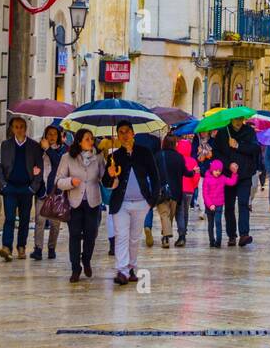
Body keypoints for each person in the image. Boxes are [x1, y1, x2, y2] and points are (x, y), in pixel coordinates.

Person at [104, 120, 161, 285]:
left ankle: (131, 267)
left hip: (141, 203)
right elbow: (107, 183)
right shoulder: (114, 156)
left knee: (134, 238)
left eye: (127, 131)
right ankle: (121, 270)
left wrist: (152, 200)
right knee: (121, 236)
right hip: (120, 203)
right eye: (120, 132)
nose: (124, 135)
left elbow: (155, 177)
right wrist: (110, 174)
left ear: (133, 133)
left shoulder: (145, 152)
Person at [56, 129, 104, 282]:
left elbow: (104, 179)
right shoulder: (67, 158)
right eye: (87, 139)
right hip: (74, 203)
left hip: (93, 202)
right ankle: (75, 268)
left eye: (92, 139)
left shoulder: (99, 157)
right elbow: (58, 181)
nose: (91, 141)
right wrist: (71, 182)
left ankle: (86, 259)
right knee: (75, 235)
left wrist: (110, 171)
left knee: (91, 234)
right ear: (79, 141)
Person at [0, 116, 43, 261]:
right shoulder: (5, 145)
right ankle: (6, 247)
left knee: (24, 219)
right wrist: (3, 185)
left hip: (26, 189)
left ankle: (21, 246)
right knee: (9, 218)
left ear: (26, 128)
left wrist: (33, 188)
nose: (19, 129)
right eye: (16, 127)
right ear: (12, 129)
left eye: (22, 126)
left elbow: (39, 168)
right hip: (10, 188)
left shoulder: (34, 146)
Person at [213, 116, 260, 247]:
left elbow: (255, 149)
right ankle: (232, 235)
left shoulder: (249, 132)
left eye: (240, 119)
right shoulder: (223, 133)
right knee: (229, 206)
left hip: (245, 175)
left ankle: (244, 234)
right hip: (228, 176)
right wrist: (228, 165)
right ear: (231, 120)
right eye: (236, 120)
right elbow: (217, 153)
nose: (238, 122)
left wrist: (238, 145)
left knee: (244, 203)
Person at [32, 123, 67, 260]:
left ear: (58, 136)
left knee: (55, 223)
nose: (51, 136)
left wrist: (48, 150)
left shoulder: (63, 150)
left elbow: (59, 164)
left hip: (56, 191)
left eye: (54, 134)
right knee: (39, 221)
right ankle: (38, 249)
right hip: (42, 190)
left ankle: (51, 247)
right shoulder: (39, 149)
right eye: (49, 134)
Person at [202, 158, 237, 247]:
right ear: (212, 169)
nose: (218, 172)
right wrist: (210, 205)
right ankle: (211, 240)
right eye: (216, 170)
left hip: (219, 204)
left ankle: (218, 241)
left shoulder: (222, 178)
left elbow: (231, 182)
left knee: (218, 222)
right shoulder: (207, 179)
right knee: (210, 224)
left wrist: (234, 173)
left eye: (220, 171)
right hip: (209, 206)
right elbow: (205, 194)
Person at [174, 139, 200, 246]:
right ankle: (183, 232)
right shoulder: (193, 161)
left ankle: (182, 235)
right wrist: (193, 187)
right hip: (189, 190)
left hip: (179, 189)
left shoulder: (177, 160)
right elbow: (196, 176)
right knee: (185, 212)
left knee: (179, 212)